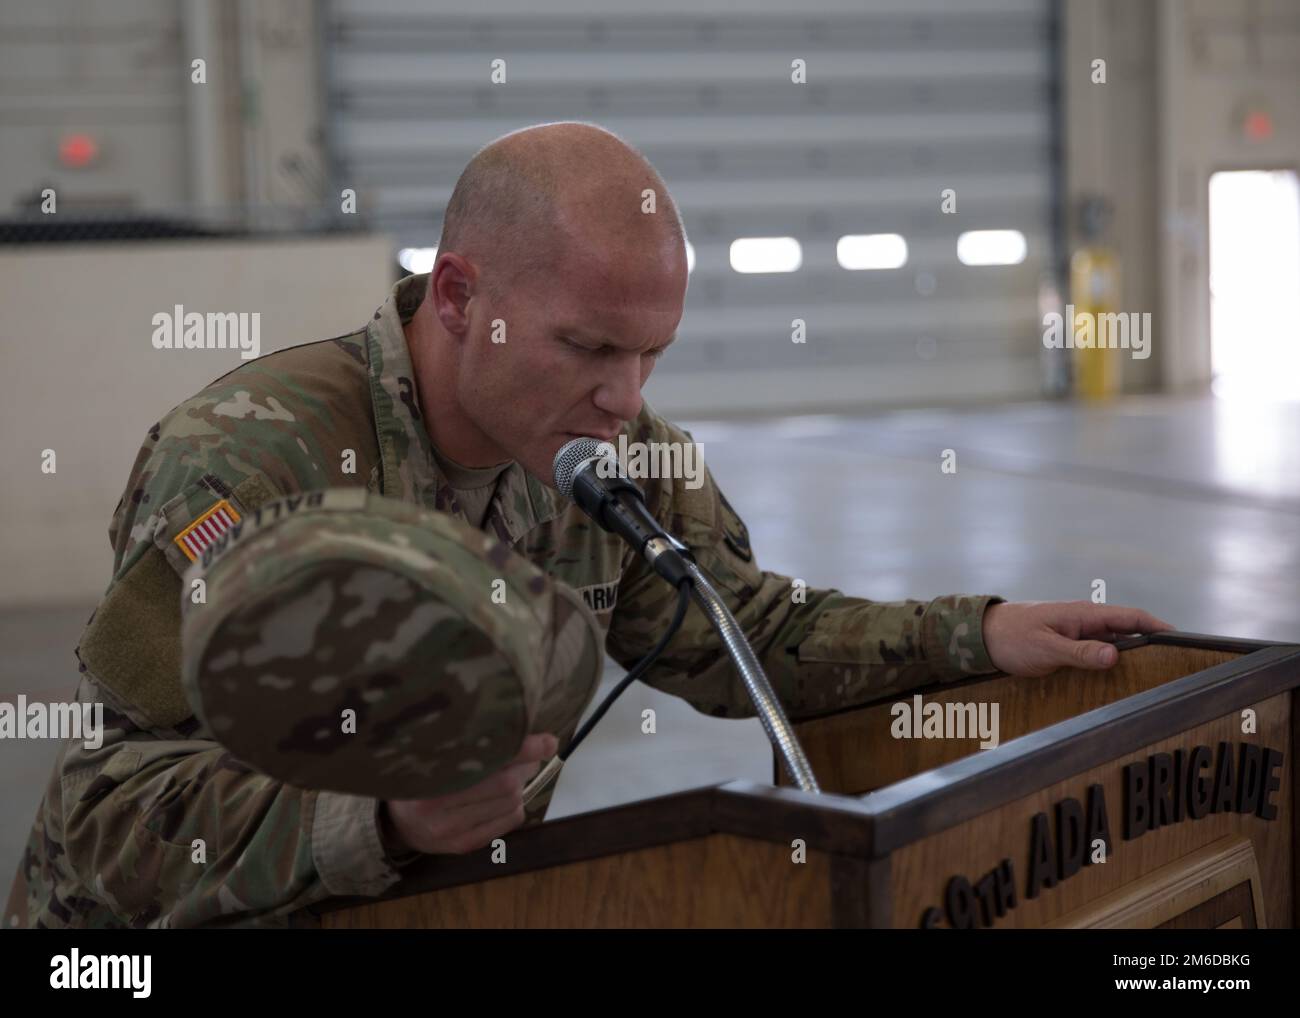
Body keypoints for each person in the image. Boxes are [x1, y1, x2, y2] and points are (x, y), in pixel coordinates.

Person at [7, 121, 1171, 930]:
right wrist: (376, 819)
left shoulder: (617, 455)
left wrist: (977, 636)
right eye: (589, 347)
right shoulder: (252, 454)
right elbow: (110, 814)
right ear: (461, 299)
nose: (625, 395)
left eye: (651, 351)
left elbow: (740, 629)